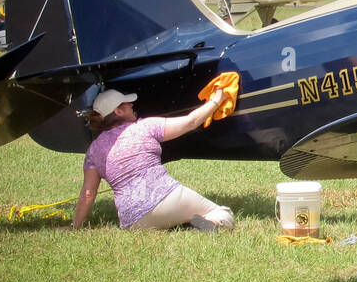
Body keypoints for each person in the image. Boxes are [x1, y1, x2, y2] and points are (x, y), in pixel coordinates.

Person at [71, 87, 235, 233]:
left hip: (132, 222)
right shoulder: (144, 126)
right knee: (223, 214)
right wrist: (217, 98)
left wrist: (75, 226)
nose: (131, 104)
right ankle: (205, 223)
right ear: (118, 112)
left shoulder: (93, 150)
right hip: (166, 199)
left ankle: (183, 224)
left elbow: (88, 193)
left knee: (173, 218)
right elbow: (191, 122)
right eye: (126, 103)